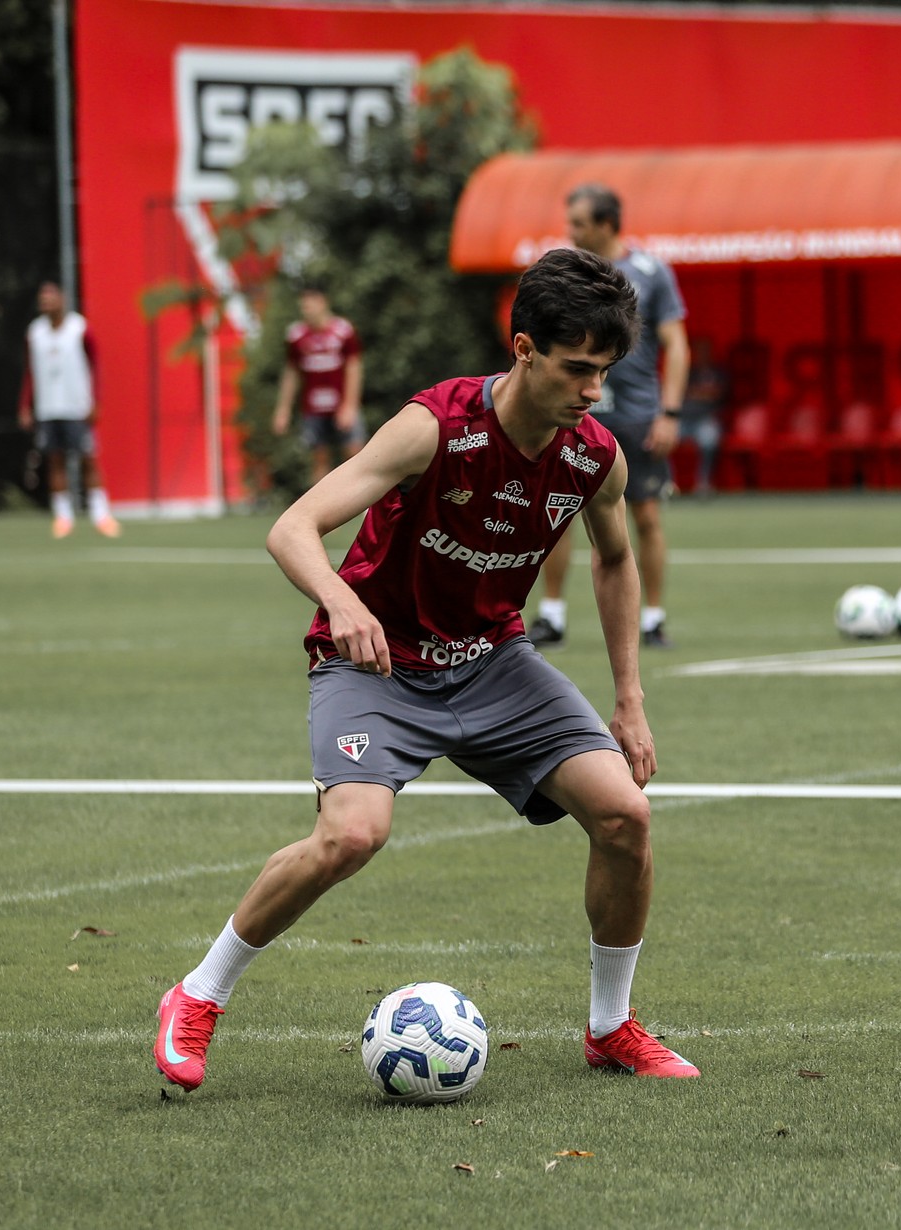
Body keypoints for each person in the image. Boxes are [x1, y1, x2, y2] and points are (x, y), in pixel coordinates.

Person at [153, 247, 700, 1091]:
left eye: (606, 373)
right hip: (379, 665)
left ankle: (609, 1027)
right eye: (578, 369)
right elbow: (294, 527)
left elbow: (616, 561)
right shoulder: (435, 427)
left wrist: (630, 699)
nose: (595, 392)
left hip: (494, 664)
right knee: (351, 835)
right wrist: (341, 601)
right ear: (522, 349)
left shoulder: (593, 455)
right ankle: (196, 995)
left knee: (626, 815)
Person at [528, 185, 689, 649]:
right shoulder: (565, 274)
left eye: (578, 222)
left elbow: (676, 343)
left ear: (605, 224)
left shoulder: (651, 271)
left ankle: (652, 619)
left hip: (638, 415)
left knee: (646, 516)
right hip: (572, 411)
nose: (570, 231)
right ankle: (551, 616)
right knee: (553, 512)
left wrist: (671, 412)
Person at [18, 280, 121, 539]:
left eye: (51, 297)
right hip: (48, 408)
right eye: (43, 299)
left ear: (61, 299)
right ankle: (63, 517)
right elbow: (30, 372)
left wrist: (96, 401)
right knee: (55, 461)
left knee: (88, 459)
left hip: (77, 407)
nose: (46, 302)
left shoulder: (79, 328)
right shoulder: (35, 333)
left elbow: (95, 365)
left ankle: (101, 515)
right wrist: (25, 405)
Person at [270, 280, 365, 485]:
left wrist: (350, 405)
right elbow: (292, 373)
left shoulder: (343, 331)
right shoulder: (297, 335)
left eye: (309, 303)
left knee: (355, 454)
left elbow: (354, 368)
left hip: (341, 405)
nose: (306, 309)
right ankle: (318, 510)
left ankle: (369, 509)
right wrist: (283, 409)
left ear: (322, 302)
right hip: (313, 408)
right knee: (319, 458)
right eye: (303, 305)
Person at [679, 336, 728, 497]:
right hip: (683, 420)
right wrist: (703, 393)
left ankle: (703, 483)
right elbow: (681, 393)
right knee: (662, 439)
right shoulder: (688, 371)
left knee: (709, 440)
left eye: (706, 350)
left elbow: (719, 394)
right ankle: (668, 483)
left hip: (706, 420)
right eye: (699, 350)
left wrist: (697, 393)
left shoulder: (719, 372)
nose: (702, 354)